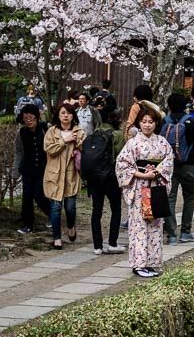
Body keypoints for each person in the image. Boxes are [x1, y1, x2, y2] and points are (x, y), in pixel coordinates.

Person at [115, 102, 173, 278]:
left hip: (155, 187)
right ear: (139, 123)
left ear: (156, 123)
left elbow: (168, 162)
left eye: (151, 121)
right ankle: (138, 264)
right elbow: (121, 165)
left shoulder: (162, 142)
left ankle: (151, 262)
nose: (147, 124)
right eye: (144, 121)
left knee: (155, 224)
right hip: (139, 188)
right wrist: (141, 175)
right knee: (139, 226)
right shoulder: (132, 143)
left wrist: (157, 172)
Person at [162, 93, 194, 245]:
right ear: (185, 105)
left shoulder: (164, 121)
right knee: (189, 197)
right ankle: (185, 232)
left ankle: (171, 234)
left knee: (170, 198)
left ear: (169, 105)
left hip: (168, 165)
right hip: (188, 164)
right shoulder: (192, 122)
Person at [43, 102, 86, 249]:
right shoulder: (51, 131)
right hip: (54, 175)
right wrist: (64, 141)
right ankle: (57, 238)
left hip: (71, 175)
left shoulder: (79, 131)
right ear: (58, 115)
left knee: (70, 207)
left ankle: (71, 226)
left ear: (73, 115)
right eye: (62, 113)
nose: (66, 116)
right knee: (55, 208)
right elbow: (49, 149)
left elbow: (85, 150)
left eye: (68, 113)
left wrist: (77, 143)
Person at [86, 109, 125, 255]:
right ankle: (112, 243)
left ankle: (97, 246)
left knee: (96, 210)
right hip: (110, 176)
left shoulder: (94, 133)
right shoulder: (118, 135)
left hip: (94, 177)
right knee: (116, 208)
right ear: (113, 119)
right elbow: (121, 157)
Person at [12, 104, 50, 234]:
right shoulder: (21, 133)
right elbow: (18, 152)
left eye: (31, 117)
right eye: (25, 118)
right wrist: (15, 171)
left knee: (39, 194)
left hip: (43, 168)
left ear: (37, 117)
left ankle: (52, 214)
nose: (28, 120)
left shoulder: (46, 128)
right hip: (28, 168)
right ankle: (27, 224)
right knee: (27, 195)